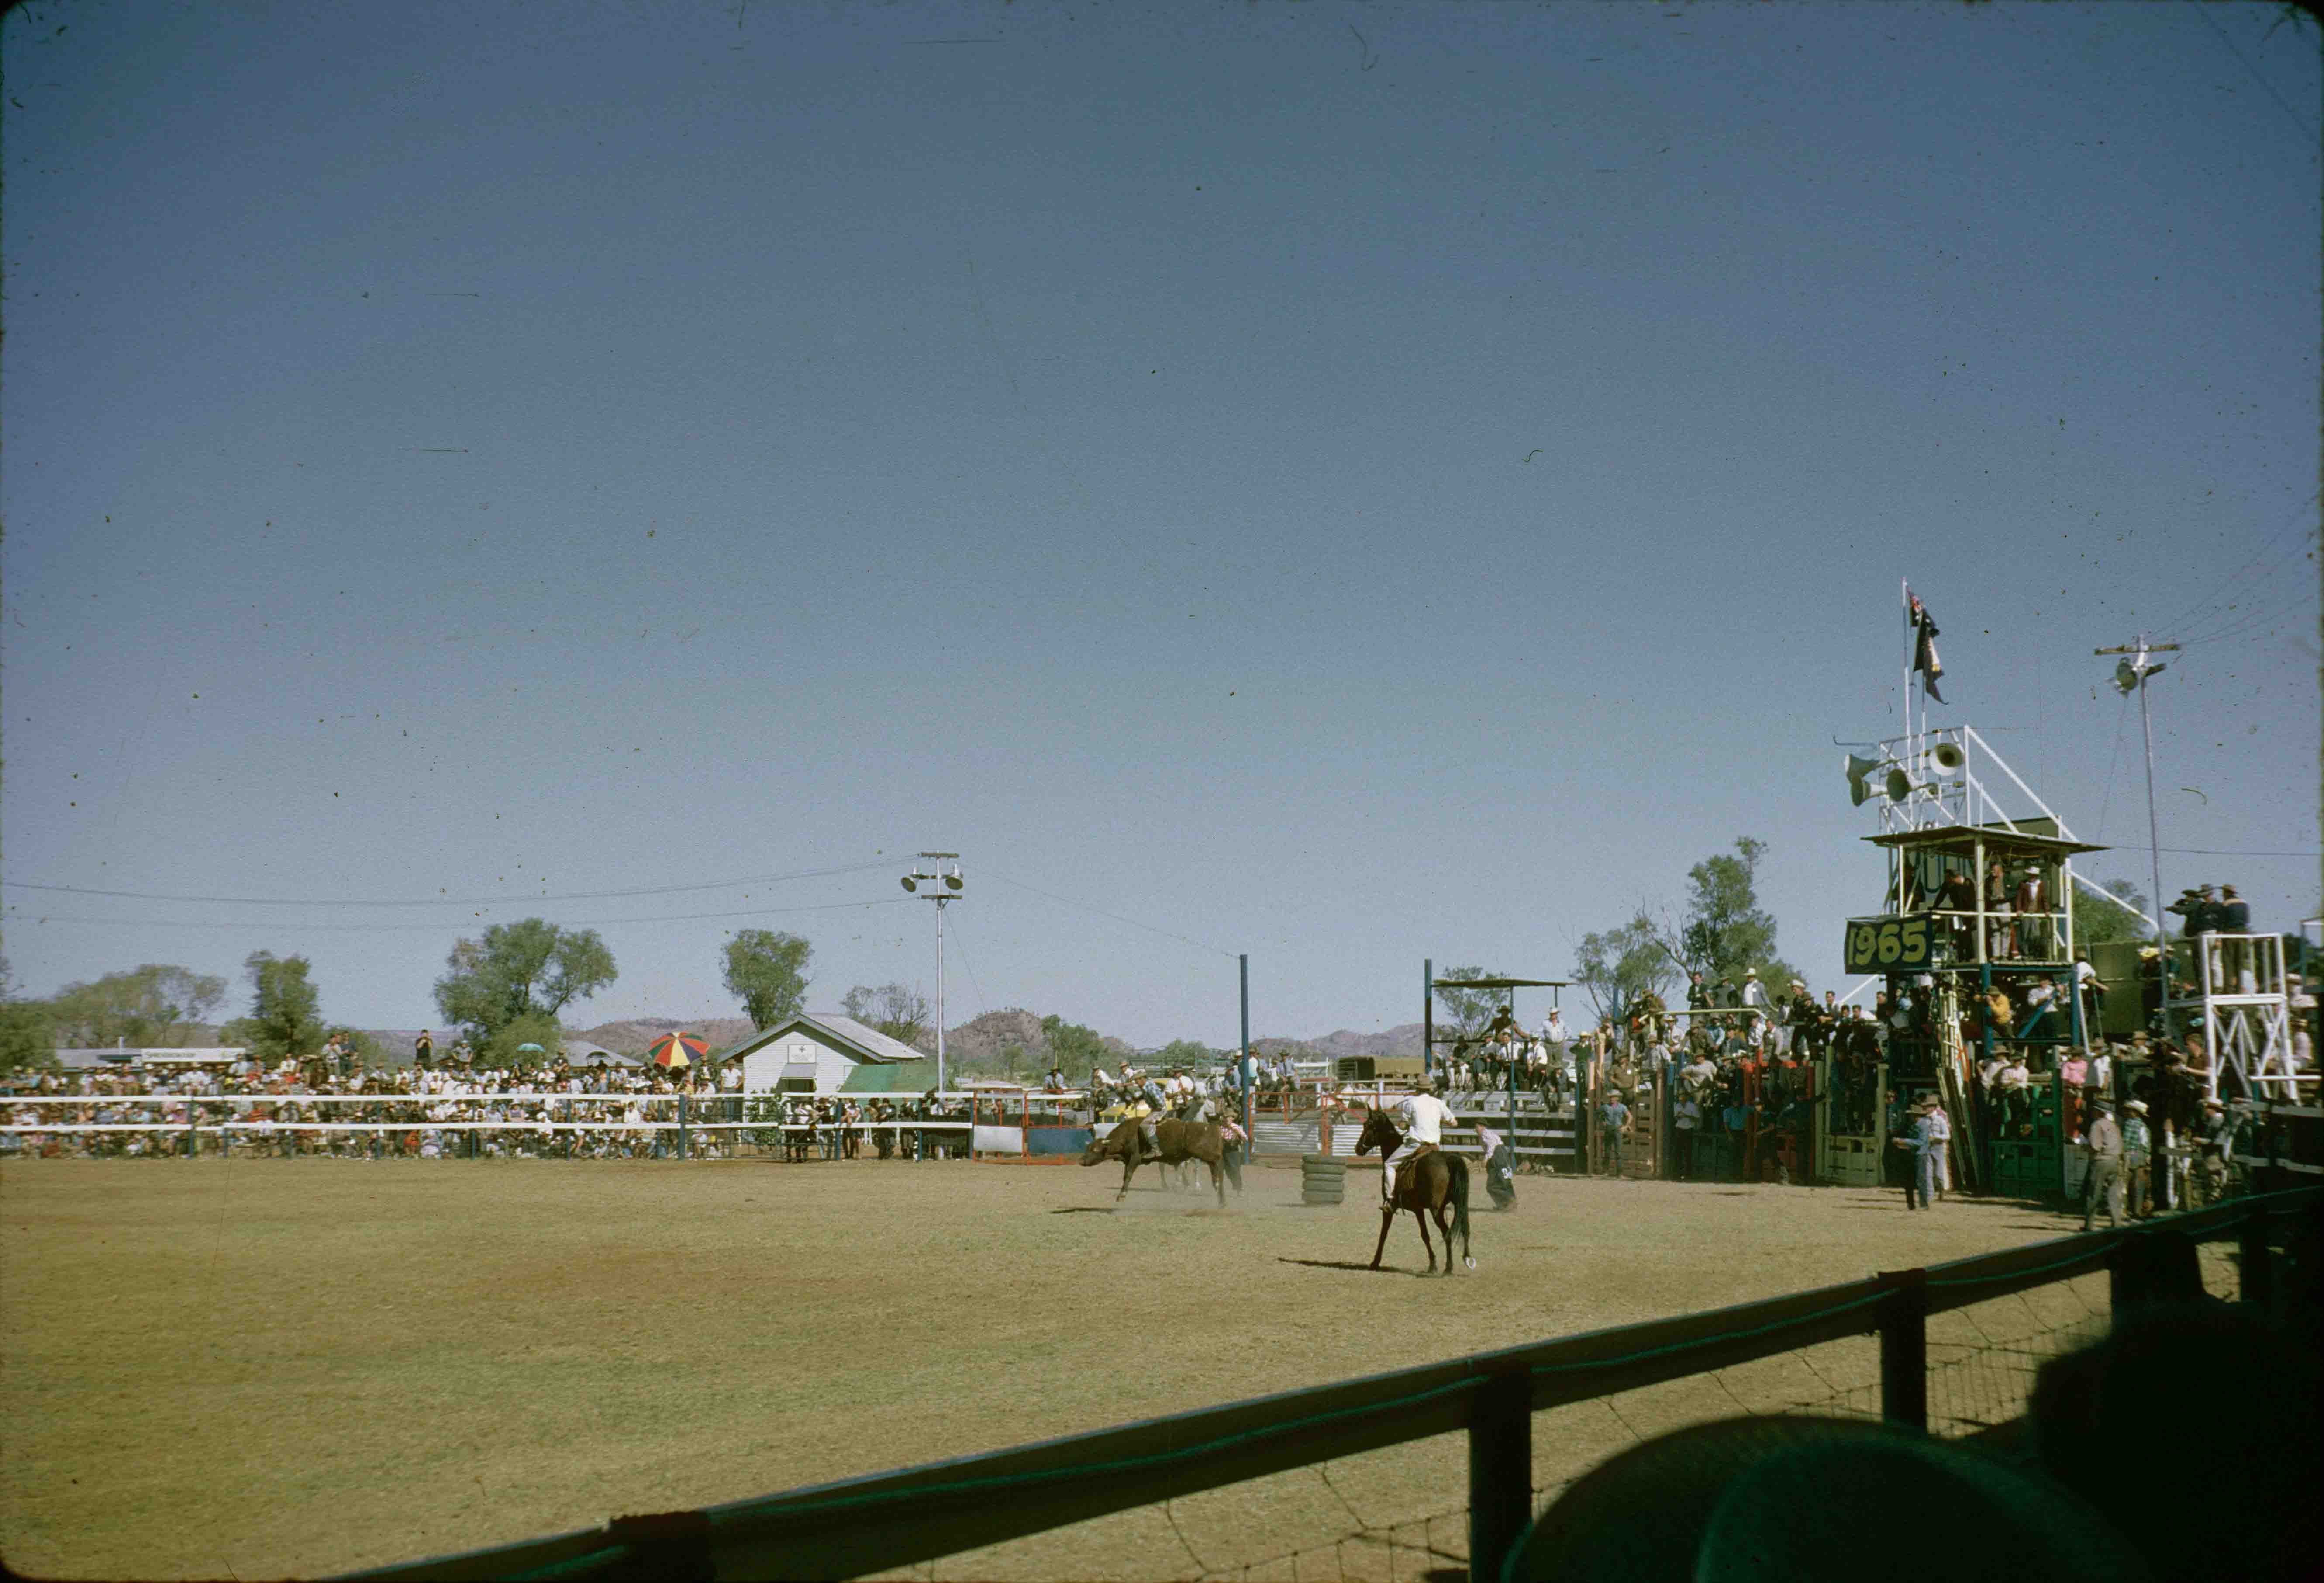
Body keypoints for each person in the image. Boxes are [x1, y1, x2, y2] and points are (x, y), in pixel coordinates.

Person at [1382, 1083, 1451, 1202]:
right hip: (1435, 1146)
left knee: (1389, 1164)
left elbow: (1403, 1125)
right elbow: (1454, 1123)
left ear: (1417, 1089)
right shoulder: (1440, 1103)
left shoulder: (1412, 1103)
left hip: (1416, 1144)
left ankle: (1390, 1199)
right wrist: (1442, 1120)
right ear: (1430, 1089)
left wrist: (1406, 1125)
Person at [2079, 1097, 2126, 1229]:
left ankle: (2089, 1224)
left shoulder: (2097, 1125)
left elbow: (2095, 1147)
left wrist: (2083, 1147)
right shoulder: (2114, 1126)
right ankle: (2116, 1223)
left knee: (2094, 1193)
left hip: (2101, 1162)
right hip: (2115, 1161)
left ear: (2097, 1112)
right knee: (2114, 1193)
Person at [2121, 1099, 2152, 1218]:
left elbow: (2125, 1141)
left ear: (2135, 1112)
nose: (2127, 1112)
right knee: (2139, 1184)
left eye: (2129, 1111)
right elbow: (2147, 1144)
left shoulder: (2130, 1123)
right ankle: (2137, 1210)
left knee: (2125, 1183)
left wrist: (2122, 1154)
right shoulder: (2144, 1126)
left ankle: (2125, 1210)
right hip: (2141, 1155)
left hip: (2130, 1154)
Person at [1671, 1092, 1700, 1180]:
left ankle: (1688, 1175)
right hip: (1679, 1129)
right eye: (1680, 1097)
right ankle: (1677, 1174)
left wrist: (1686, 1116)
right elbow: (1676, 1118)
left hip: (1688, 1129)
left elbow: (1697, 1118)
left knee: (1688, 1153)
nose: (1681, 1099)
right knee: (1677, 1152)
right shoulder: (1677, 1106)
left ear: (1686, 1098)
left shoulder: (1692, 1106)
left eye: (1682, 1097)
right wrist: (1679, 1117)